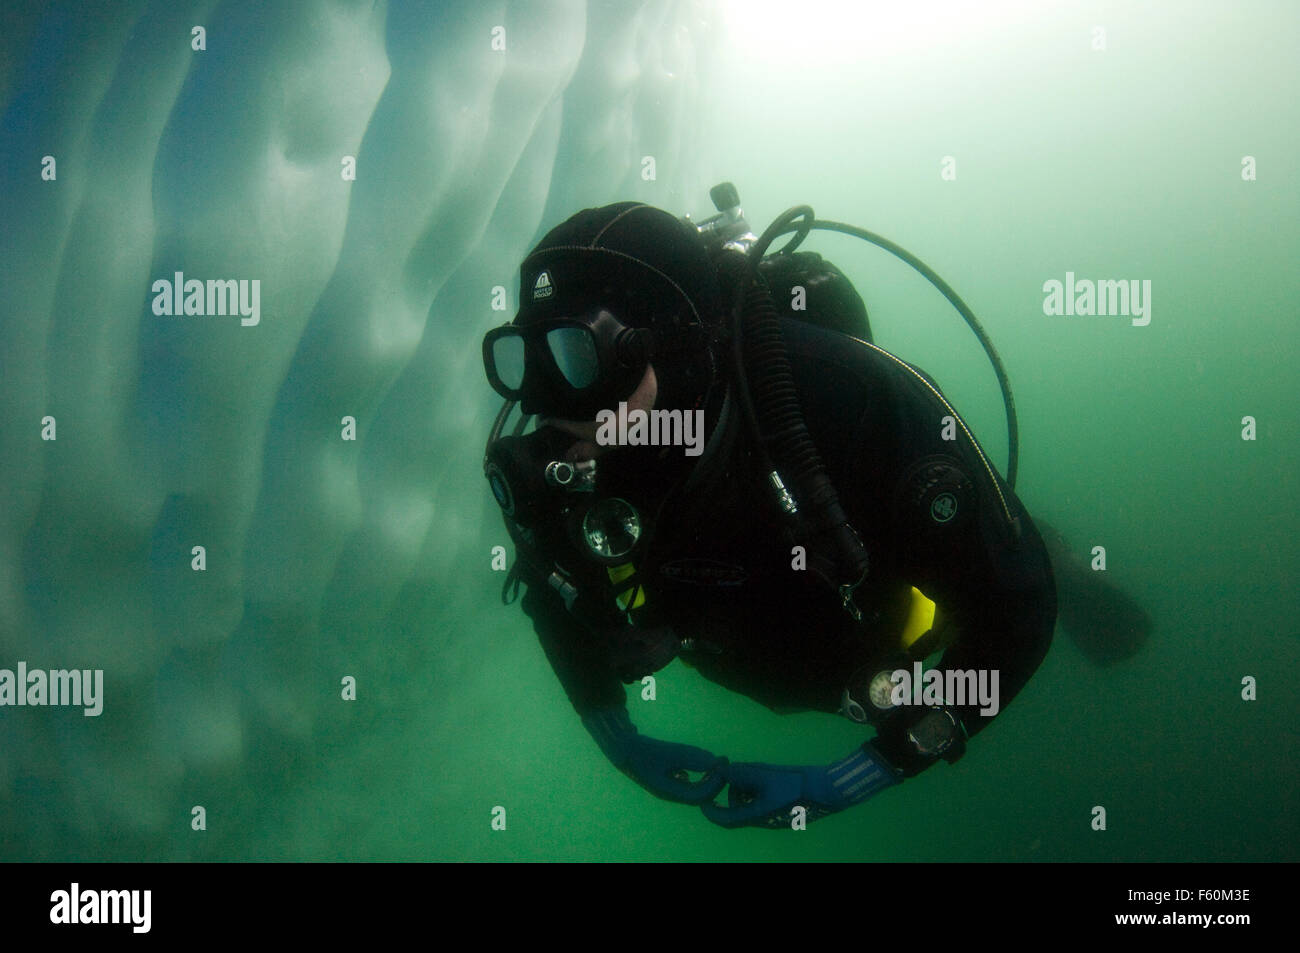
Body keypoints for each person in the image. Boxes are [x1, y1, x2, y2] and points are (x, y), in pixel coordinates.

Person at [482, 196, 1130, 829]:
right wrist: (614, 731)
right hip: (749, 652)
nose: (543, 402)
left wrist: (855, 776)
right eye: (526, 356)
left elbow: (1015, 609)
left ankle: (1038, 539)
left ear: (676, 348)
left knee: (987, 550)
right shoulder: (583, 444)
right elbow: (551, 580)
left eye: (576, 354)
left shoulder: (853, 401)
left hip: (885, 625)